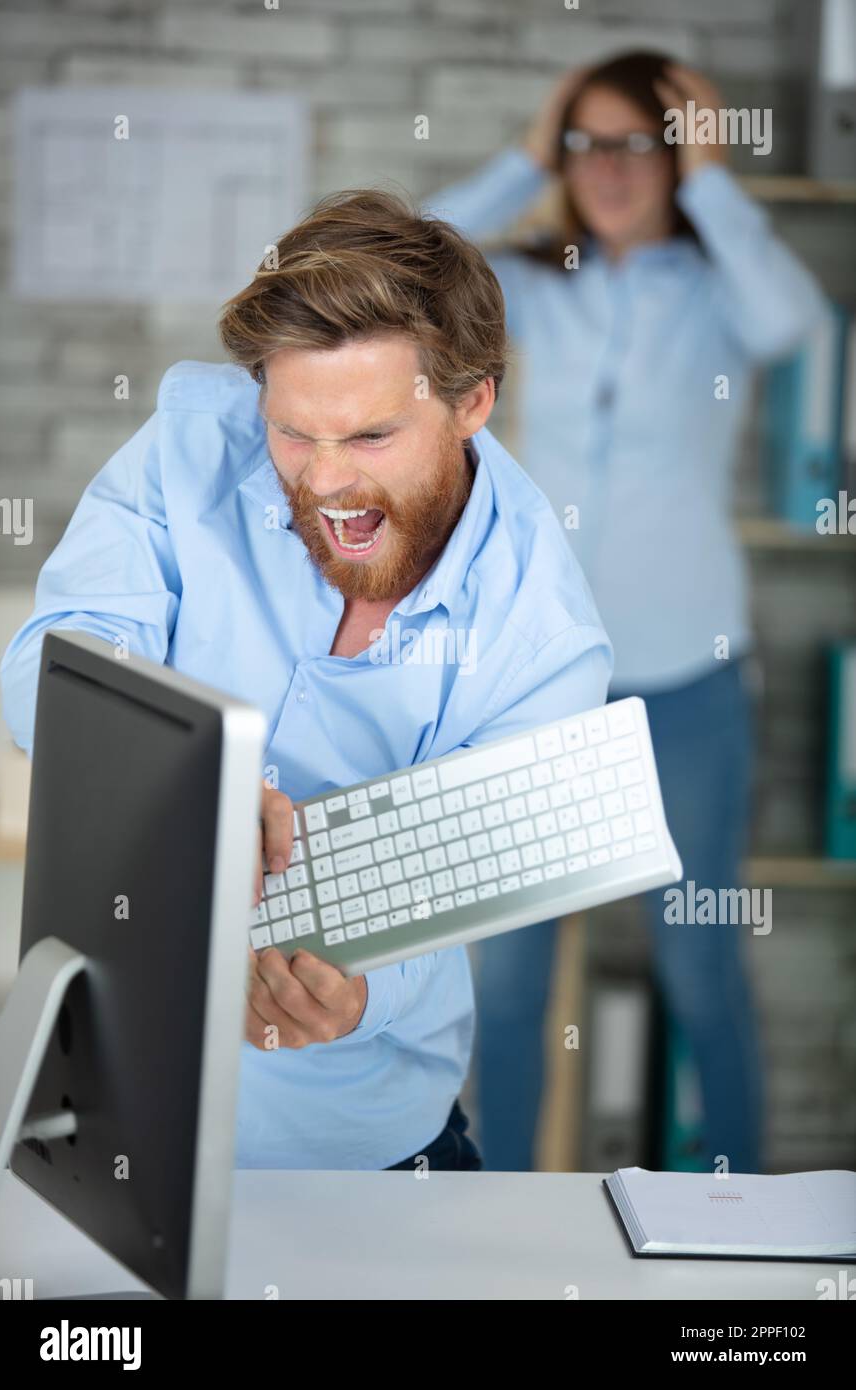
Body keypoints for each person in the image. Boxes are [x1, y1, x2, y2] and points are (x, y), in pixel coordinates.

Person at [0, 189, 614, 1171]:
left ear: (470, 401)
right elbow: (50, 670)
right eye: (292, 431)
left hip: (350, 1147)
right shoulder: (190, 443)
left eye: (370, 437)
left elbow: (454, 899)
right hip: (100, 1105)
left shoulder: (540, 641)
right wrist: (193, 776)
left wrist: (362, 992)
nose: (324, 482)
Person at [426, 52, 830, 1173]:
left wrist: (705, 181)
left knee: (695, 967)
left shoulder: (717, 289)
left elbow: (790, 317)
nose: (607, 168)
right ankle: (496, 1214)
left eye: (634, 143)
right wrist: (525, 150)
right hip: (541, 683)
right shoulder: (535, 281)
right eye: (586, 143)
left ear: (676, 152)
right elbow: (411, 257)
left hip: (686, 679)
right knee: (504, 982)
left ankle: (744, 1213)